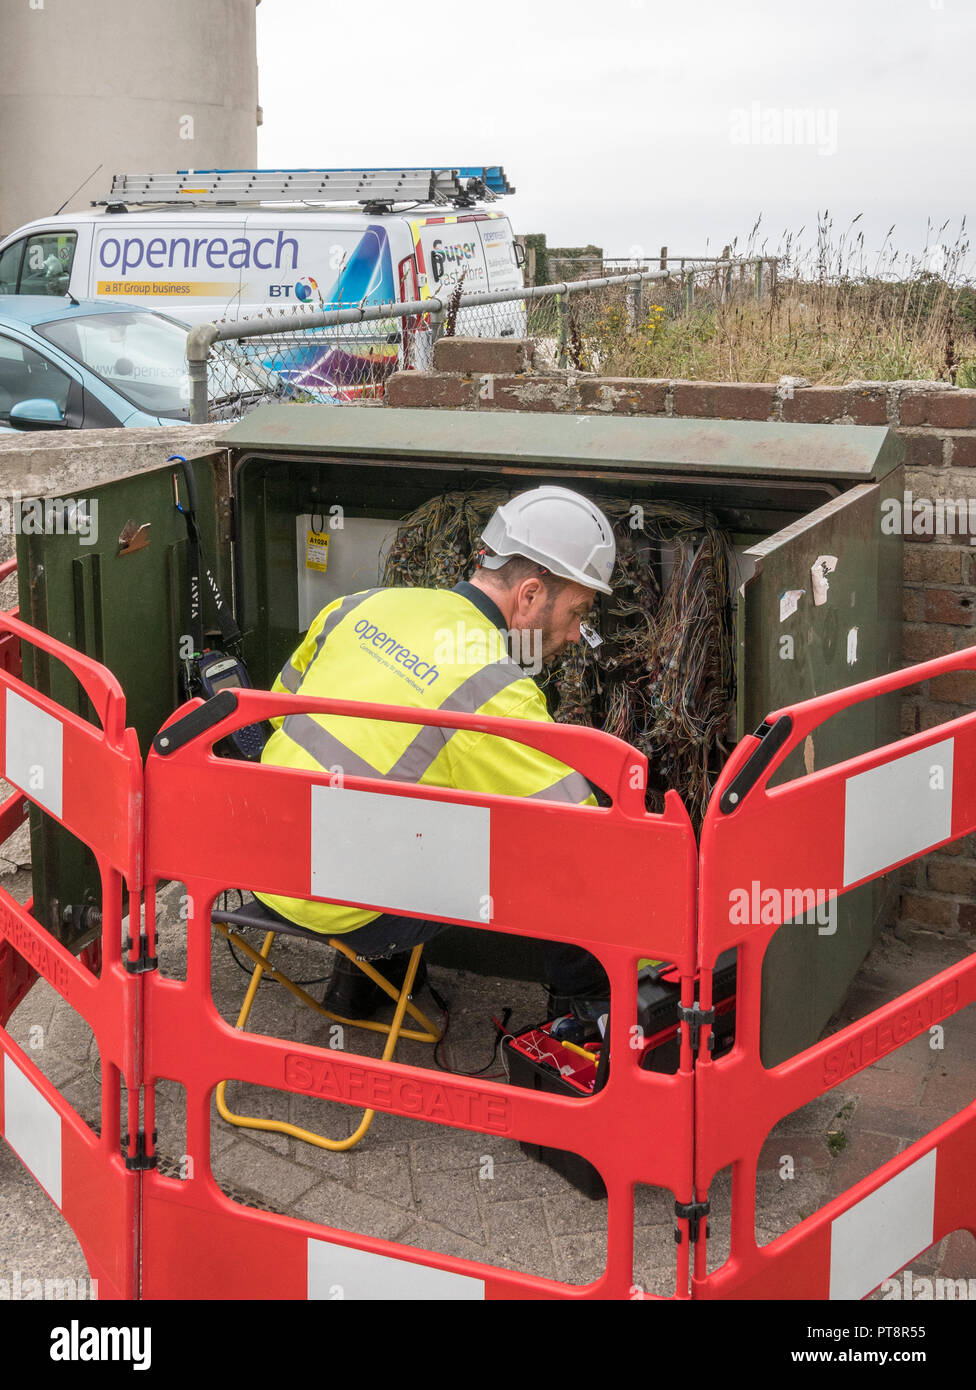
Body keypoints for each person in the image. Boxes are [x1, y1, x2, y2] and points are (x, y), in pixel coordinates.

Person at [253, 485, 615, 1017]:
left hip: (261, 858)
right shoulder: (492, 685)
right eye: (577, 613)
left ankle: (370, 988)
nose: (575, 634)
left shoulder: (360, 605)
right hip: (344, 906)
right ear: (531, 595)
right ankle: (591, 1019)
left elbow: (277, 713)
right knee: (561, 860)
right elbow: (583, 833)